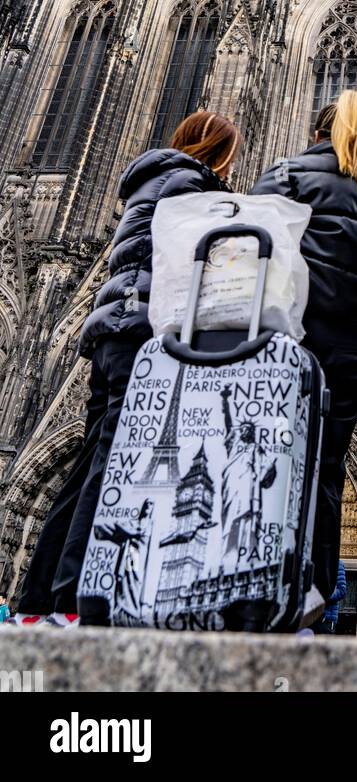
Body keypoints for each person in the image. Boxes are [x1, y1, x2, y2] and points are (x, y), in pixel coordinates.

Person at [14, 111, 240, 626]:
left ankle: (35, 603)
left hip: (111, 326)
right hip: (141, 326)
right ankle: (71, 600)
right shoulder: (188, 183)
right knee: (112, 467)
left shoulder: (152, 178)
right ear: (217, 152)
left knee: (86, 465)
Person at [253, 90, 357, 625]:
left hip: (286, 350)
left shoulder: (288, 176)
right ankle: (314, 603)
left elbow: (250, 258)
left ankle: (255, 592)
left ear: (317, 134)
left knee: (263, 467)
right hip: (351, 361)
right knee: (328, 477)